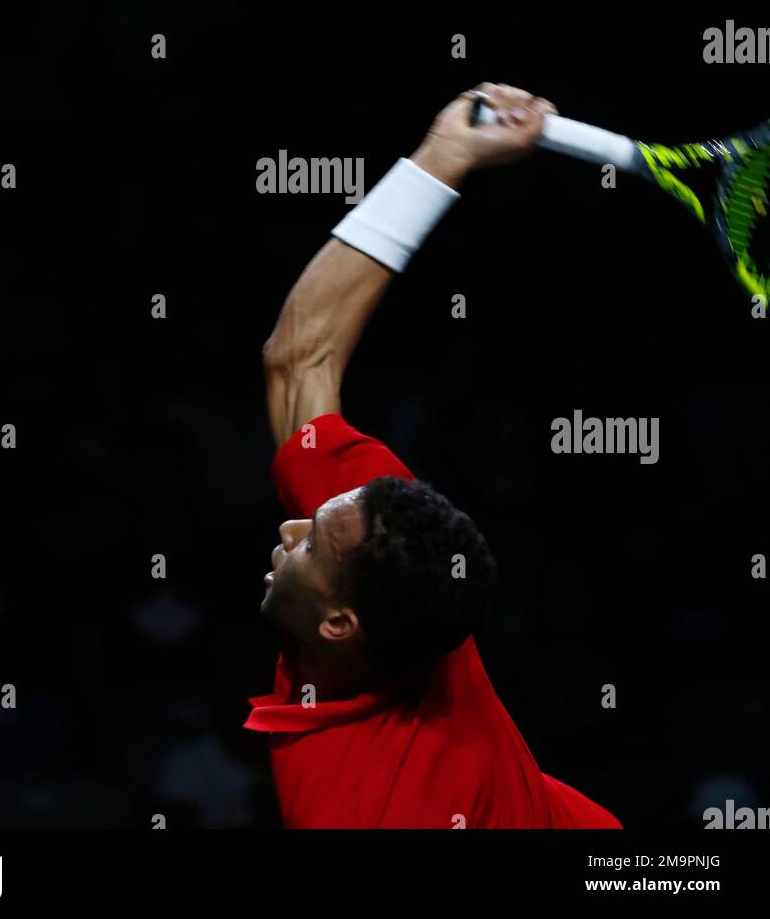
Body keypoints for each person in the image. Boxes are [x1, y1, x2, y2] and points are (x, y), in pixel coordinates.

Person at [245, 83, 622, 829]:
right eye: (311, 525)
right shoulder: (378, 535)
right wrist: (441, 158)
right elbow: (301, 356)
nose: (290, 528)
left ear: (338, 624)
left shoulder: (361, 808)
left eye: (310, 543)